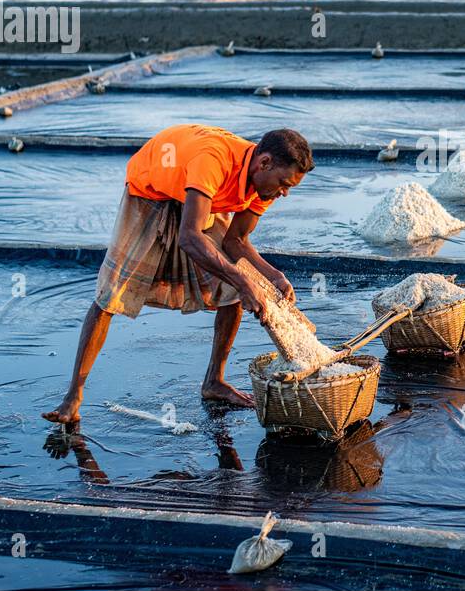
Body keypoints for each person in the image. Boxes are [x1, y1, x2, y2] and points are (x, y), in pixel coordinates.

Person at [42, 124, 314, 424]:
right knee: (111, 294)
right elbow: (189, 236)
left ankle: (214, 381)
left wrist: (273, 275)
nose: (285, 193)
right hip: (151, 191)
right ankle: (73, 397)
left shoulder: (265, 186)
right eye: (284, 183)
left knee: (233, 291)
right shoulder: (214, 159)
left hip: (197, 196)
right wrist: (243, 279)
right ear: (264, 163)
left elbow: (235, 241)